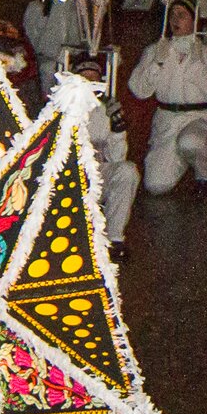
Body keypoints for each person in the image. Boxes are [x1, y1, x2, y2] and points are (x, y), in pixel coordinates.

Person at [126, 0, 207, 193]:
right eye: (173, 14)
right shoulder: (155, 51)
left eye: (182, 15)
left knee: (190, 140)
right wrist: (156, 64)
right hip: (167, 120)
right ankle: (180, 156)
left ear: (194, 20)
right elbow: (139, 90)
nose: (175, 19)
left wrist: (197, 66)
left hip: (198, 117)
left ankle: (206, 176)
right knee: (156, 185)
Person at [71, 52, 138, 260]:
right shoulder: (62, 107)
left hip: (97, 171)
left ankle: (114, 239)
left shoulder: (106, 109)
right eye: (85, 79)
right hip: (70, 177)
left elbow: (117, 158)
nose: (91, 84)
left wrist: (118, 130)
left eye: (95, 79)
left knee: (127, 171)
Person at [22, 0, 85, 100]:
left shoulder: (76, 7)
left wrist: (72, 53)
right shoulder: (37, 6)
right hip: (46, 63)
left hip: (70, 62)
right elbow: (31, 35)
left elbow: (79, 36)